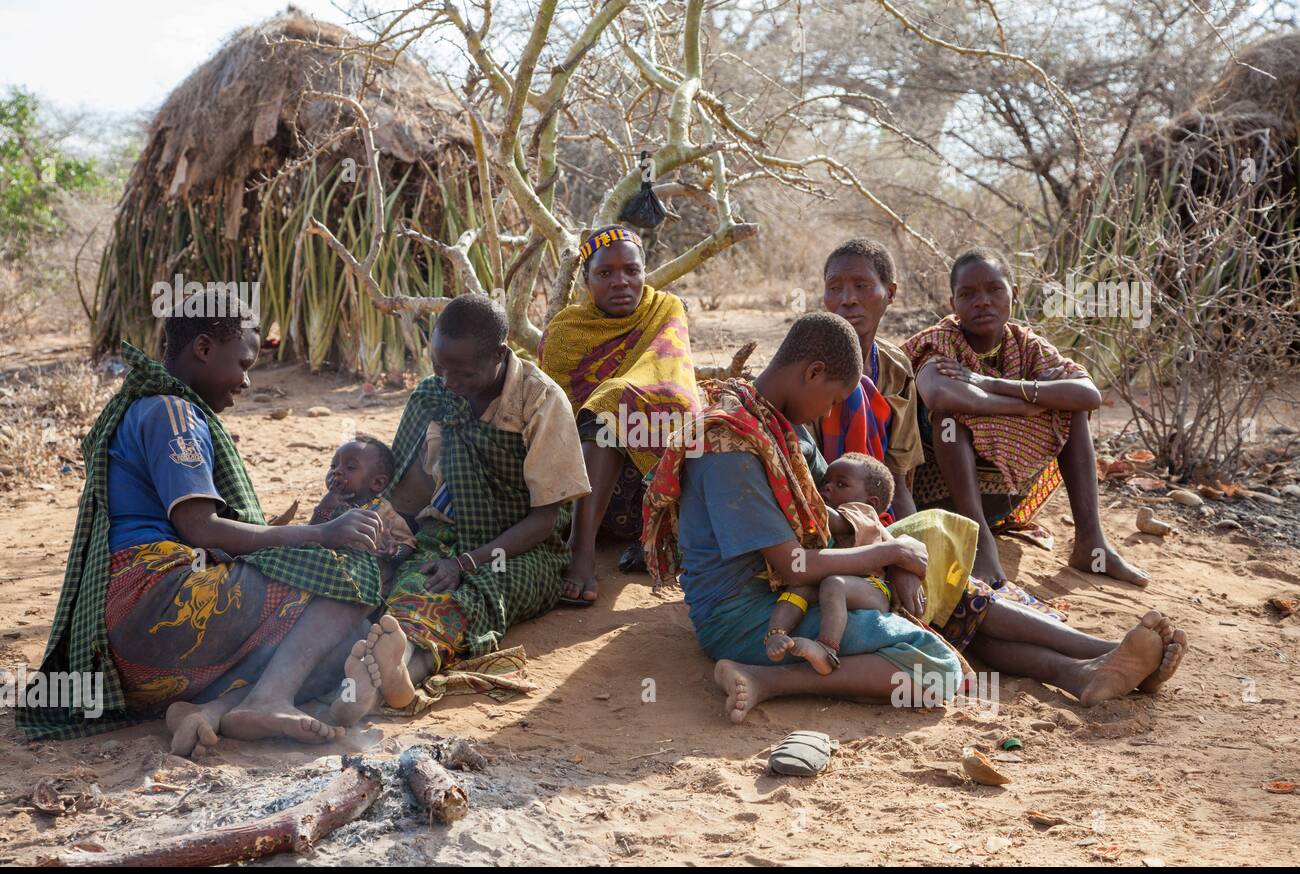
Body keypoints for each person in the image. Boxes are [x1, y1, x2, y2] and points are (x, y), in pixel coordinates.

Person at [643, 312, 1187, 724]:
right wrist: (888, 552)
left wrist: (888, 546)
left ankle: (1092, 662)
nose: (831, 414)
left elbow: (826, 514)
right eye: (833, 400)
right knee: (935, 668)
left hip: (798, 588)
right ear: (812, 373)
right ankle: (765, 678)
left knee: (940, 592)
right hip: (748, 616)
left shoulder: (773, 423)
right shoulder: (730, 445)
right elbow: (790, 564)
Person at [18, 288, 389, 755]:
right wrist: (321, 533)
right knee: (349, 574)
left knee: (341, 639)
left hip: (125, 646)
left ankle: (209, 709)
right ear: (204, 349)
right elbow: (200, 529)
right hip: (156, 600)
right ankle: (269, 697)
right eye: (244, 364)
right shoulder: (175, 413)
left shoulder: (141, 405)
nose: (247, 383)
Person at [345, 294, 591, 722]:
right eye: (440, 368)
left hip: (524, 545)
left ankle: (398, 676)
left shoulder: (540, 401)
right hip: (446, 531)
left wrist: (466, 563)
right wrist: (391, 535)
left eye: (462, 372)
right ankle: (371, 685)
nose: (448, 382)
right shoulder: (433, 396)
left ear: (499, 354)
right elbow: (408, 491)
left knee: (476, 595)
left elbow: (545, 519)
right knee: (409, 585)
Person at [903, 246, 1149, 589]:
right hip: (941, 499)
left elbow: (1087, 394)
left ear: (1013, 295)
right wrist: (1021, 403)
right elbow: (939, 394)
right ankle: (979, 543)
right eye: (968, 294)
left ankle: (1090, 542)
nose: (982, 301)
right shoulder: (942, 340)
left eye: (994, 290)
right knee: (948, 420)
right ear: (953, 304)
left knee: (1071, 412)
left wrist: (989, 383)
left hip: (1003, 495)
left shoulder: (1025, 345)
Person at [539, 225, 700, 606]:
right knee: (606, 417)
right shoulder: (565, 333)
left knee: (616, 403)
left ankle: (654, 538)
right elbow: (552, 421)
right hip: (581, 486)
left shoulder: (665, 309)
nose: (621, 282)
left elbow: (672, 383)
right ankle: (582, 548)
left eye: (632, 270)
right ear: (585, 280)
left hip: (652, 486)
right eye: (605, 273)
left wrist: (622, 401)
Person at [817, 239, 925, 520]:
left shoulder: (896, 368)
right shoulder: (808, 367)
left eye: (862, 286)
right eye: (835, 288)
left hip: (878, 510)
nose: (847, 299)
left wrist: (905, 535)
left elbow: (897, 479)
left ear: (890, 293)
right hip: (817, 509)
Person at [764, 453, 895, 674]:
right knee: (800, 586)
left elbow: (830, 519)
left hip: (871, 589)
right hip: (831, 585)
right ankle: (776, 633)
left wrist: (789, 495)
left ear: (871, 501)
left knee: (835, 584)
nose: (827, 488)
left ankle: (827, 649)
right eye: (825, 481)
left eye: (841, 484)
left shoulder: (863, 513)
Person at [308, 435, 416, 585]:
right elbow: (310, 538)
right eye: (333, 466)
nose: (337, 471)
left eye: (350, 467)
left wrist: (396, 551)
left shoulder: (383, 511)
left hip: (366, 580)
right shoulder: (330, 504)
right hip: (326, 573)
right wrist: (324, 508)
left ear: (377, 483)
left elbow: (409, 542)